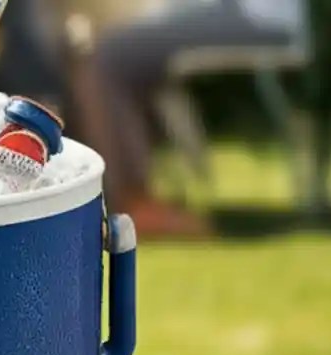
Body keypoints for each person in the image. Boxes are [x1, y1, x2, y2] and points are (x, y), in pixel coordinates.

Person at [83, 0, 306, 236]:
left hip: (261, 18)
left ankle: (136, 201)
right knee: (92, 52)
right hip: (243, 14)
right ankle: (115, 198)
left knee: (113, 55)